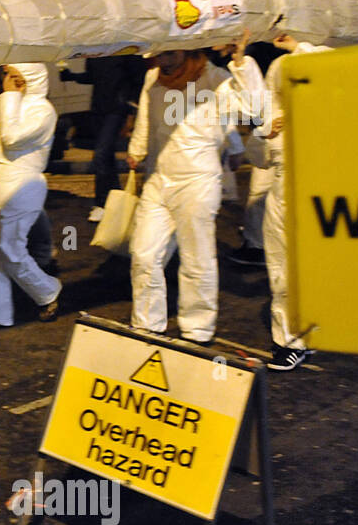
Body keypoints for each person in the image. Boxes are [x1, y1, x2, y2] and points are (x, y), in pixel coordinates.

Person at [127, 33, 262, 344]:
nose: (165, 60)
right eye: (160, 53)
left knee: (196, 258)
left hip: (198, 181)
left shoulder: (216, 78)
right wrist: (137, 149)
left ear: (190, 50)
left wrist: (241, 61)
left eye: (172, 52)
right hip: (159, 179)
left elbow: (252, 107)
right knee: (144, 254)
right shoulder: (154, 78)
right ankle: (147, 324)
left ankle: (197, 328)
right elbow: (148, 118)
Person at [252, 34, 330, 370]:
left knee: (307, 264)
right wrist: (266, 130)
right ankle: (293, 338)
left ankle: (304, 335)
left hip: (315, 178)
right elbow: (266, 113)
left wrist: (298, 48)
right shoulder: (278, 67)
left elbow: (320, 75)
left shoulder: (324, 56)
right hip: (283, 179)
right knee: (281, 263)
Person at [0, 63, 62, 327]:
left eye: (15, 77)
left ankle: (47, 291)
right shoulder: (13, 104)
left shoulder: (42, 110)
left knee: (9, 250)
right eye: (7, 75)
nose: (8, 82)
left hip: (22, 188)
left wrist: (9, 97)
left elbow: (13, 139)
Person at [60, 55, 142, 222]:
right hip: (98, 109)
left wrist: (132, 110)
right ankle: (116, 201)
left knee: (101, 155)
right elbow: (92, 77)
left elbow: (138, 79)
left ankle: (102, 203)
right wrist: (72, 76)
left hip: (117, 110)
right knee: (107, 157)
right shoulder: (96, 52)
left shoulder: (126, 51)